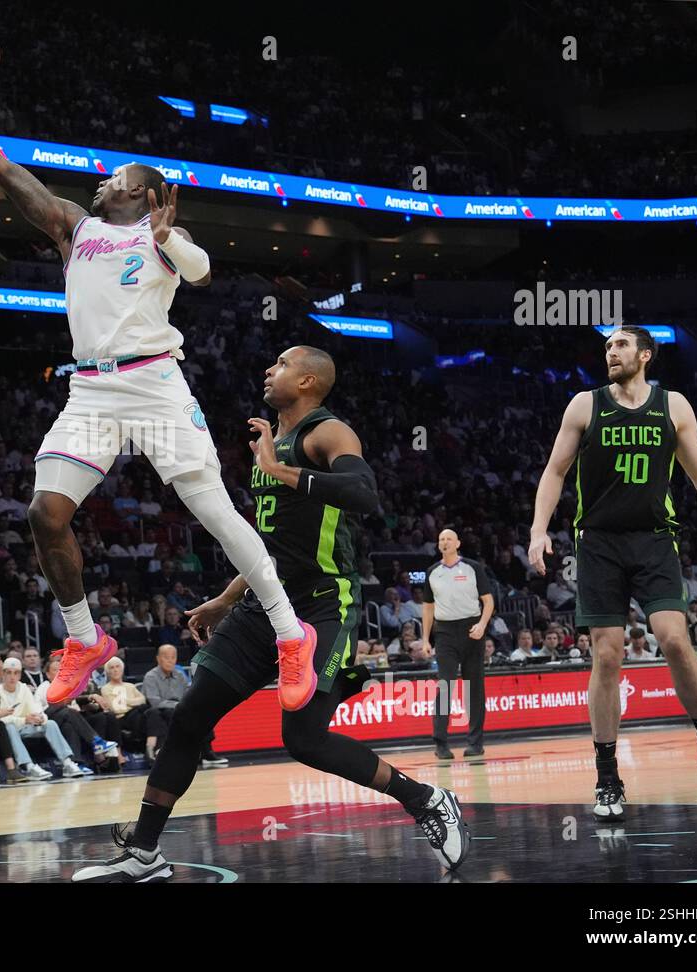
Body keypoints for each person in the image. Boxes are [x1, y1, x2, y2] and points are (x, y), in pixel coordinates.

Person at [0, 53, 318, 712]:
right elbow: (1, 167)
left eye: (121, 178)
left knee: (217, 515)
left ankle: (289, 633)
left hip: (155, 385)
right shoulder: (75, 229)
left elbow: (199, 273)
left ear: (144, 195)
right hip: (91, 392)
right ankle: (85, 639)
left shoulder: (162, 236)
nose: (107, 180)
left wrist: (174, 241)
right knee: (43, 513)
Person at [74, 346, 468, 882]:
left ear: (307, 380)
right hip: (266, 602)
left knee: (303, 739)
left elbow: (364, 493)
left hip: (326, 604)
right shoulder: (274, 444)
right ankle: (144, 849)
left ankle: (424, 799)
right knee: (189, 717)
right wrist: (227, 598)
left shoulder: (327, 433)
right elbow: (269, 546)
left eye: (280, 364)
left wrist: (282, 471)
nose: (267, 369)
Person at [529, 325, 697, 817]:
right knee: (607, 657)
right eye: (607, 346)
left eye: (620, 345)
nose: (610, 352)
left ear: (646, 354)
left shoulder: (673, 405)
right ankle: (608, 776)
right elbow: (554, 471)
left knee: (675, 640)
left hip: (655, 540)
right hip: (598, 543)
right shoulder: (584, 405)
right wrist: (538, 529)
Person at [422, 529, 495, 760]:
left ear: (458, 543)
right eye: (441, 539)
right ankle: (440, 743)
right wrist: (425, 639)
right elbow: (428, 607)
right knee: (445, 686)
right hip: (444, 633)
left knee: (474, 687)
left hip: (472, 629)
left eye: (448, 539)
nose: (444, 542)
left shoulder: (473, 567)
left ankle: (475, 743)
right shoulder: (432, 572)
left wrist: (483, 624)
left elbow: (488, 600)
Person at [0, 657, 86, 779]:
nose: (12, 676)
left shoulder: (23, 688)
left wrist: (40, 717)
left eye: (16, 673)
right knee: (9, 727)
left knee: (50, 723)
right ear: (3, 674)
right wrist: (24, 720)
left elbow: (35, 708)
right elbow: (1, 718)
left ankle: (67, 763)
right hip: (10, 729)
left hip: (26, 727)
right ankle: (28, 767)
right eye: (9, 672)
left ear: (20, 675)